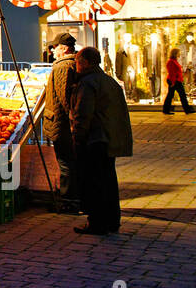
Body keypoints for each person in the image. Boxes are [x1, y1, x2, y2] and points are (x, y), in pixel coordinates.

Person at [70, 45, 133, 236]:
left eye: (78, 62)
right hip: (107, 138)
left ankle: (97, 222)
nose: (76, 66)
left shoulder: (88, 83)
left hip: (95, 139)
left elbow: (83, 114)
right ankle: (112, 220)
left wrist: (78, 138)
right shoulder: (108, 81)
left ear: (86, 63)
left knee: (95, 182)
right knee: (108, 180)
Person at [43, 32, 81, 214]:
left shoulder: (63, 67)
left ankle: (69, 201)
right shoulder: (73, 65)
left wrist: (73, 124)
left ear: (64, 49)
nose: (52, 50)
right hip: (65, 124)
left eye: (55, 47)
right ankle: (74, 198)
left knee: (66, 163)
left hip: (62, 124)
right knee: (70, 162)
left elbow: (66, 99)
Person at [162, 47, 193, 115]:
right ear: (175, 53)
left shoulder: (174, 61)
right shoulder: (171, 62)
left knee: (173, 95)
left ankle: (166, 110)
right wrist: (173, 82)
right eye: (179, 53)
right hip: (174, 80)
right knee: (179, 95)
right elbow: (172, 72)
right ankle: (186, 109)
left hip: (176, 80)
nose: (180, 54)